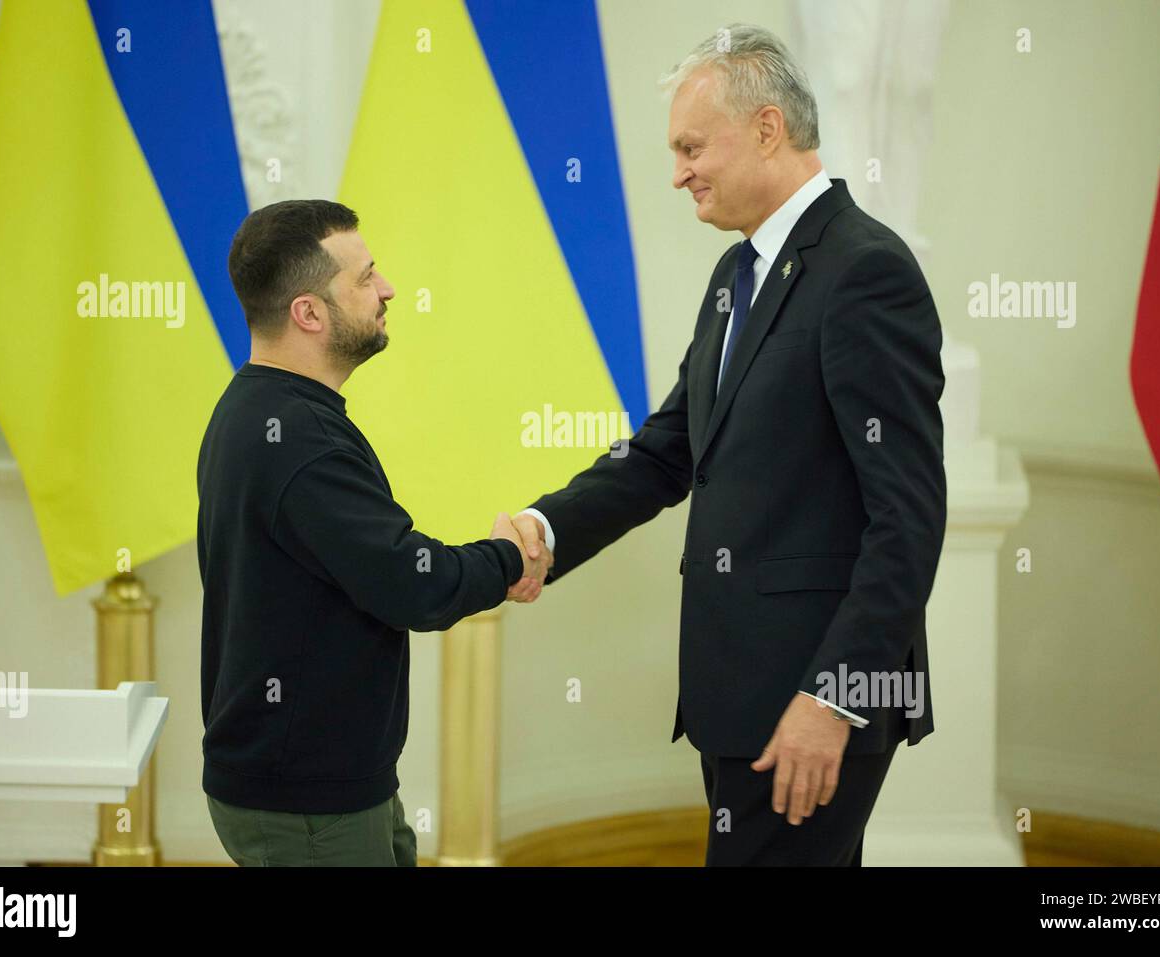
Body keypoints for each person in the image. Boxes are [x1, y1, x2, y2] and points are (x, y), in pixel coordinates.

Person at [509, 24, 946, 866]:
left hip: (811, 700)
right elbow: (671, 448)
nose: (677, 173)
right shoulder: (736, 273)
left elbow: (909, 516)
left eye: (690, 147)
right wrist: (547, 527)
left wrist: (835, 698)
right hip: (744, 695)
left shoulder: (865, 272)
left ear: (768, 129)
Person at [197, 199, 551, 866]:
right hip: (306, 802)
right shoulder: (301, 440)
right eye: (364, 277)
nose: (386, 288)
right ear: (309, 312)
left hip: (316, 785)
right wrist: (508, 556)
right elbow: (412, 584)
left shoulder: (255, 406)